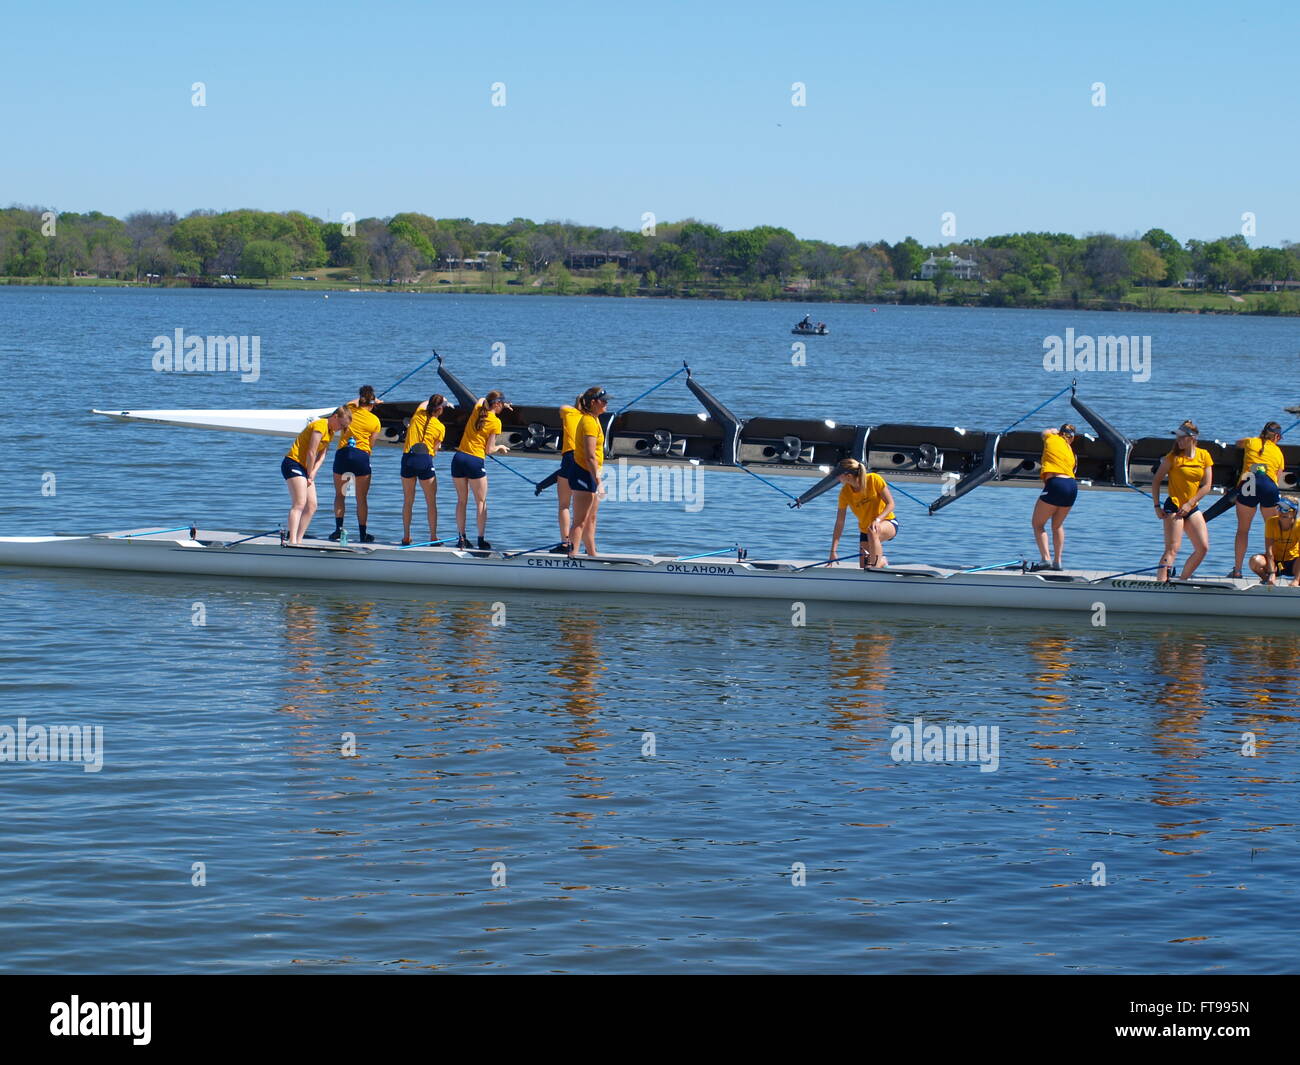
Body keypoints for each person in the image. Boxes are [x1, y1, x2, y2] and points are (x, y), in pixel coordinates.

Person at [1151, 419, 1213, 581]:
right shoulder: (1172, 458)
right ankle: (1161, 583)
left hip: (1192, 507)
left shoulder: (1204, 456)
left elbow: (1207, 486)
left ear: (1192, 438)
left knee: (1203, 548)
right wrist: (1157, 506)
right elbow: (1156, 481)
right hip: (1174, 506)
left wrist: (1190, 503)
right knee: (1172, 549)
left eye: (1181, 437)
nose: (1178, 441)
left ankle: (1182, 580)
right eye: (1177, 437)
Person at [282, 406, 351, 545]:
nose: (340, 429)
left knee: (312, 505)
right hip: (293, 463)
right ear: (335, 417)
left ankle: (299, 540)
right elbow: (311, 452)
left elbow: (322, 455)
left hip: (306, 467)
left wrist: (313, 473)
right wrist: (308, 472)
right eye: (341, 425)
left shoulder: (330, 432)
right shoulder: (320, 425)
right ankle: (292, 541)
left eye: (344, 427)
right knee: (299, 503)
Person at [451, 389, 511, 550]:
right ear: (497, 404)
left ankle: (461, 538)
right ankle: (481, 540)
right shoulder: (496, 422)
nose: (503, 408)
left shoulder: (478, 409)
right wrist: (501, 447)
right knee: (481, 502)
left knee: (461, 501)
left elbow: (482, 399)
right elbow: (489, 450)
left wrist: (500, 402)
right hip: (474, 461)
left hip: (458, 458)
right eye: (502, 404)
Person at [1228, 421, 1285, 578]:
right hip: (1268, 485)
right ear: (1277, 437)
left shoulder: (1251, 441)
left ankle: (1238, 571)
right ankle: (1273, 571)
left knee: (1243, 530)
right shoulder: (1279, 453)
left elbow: (1237, 443)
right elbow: (1277, 478)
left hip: (1250, 482)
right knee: (1271, 530)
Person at [330, 385, 382, 542]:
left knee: (340, 495)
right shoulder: (375, 421)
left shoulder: (349, 410)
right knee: (361, 498)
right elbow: (371, 445)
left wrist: (370, 400)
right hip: (361, 457)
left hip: (343, 455)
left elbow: (351, 403)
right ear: (372, 404)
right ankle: (362, 534)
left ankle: (338, 531)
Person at [533, 399, 583, 553]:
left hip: (571, 456)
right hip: (586, 459)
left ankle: (565, 544)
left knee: (564, 506)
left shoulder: (569, 413)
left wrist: (542, 485)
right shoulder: (592, 420)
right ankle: (587, 546)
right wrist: (542, 484)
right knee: (584, 509)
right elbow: (562, 473)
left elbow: (563, 407)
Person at [829, 457, 897, 568]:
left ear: (848, 476)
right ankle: (882, 561)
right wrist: (833, 550)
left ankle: (877, 565)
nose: (837, 477)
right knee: (865, 567)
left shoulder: (874, 479)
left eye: (839, 475)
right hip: (865, 530)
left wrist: (878, 520)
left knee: (873, 532)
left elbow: (891, 504)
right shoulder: (844, 493)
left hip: (888, 522)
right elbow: (840, 522)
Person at [400, 393, 447, 546]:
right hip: (424, 459)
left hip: (408, 458)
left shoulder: (417, 415)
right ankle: (433, 537)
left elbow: (423, 402)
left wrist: (439, 400)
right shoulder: (440, 427)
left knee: (408, 500)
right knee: (431, 501)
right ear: (439, 409)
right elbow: (435, 449)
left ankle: (406, 536)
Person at [568, 387, 610, 557]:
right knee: (580, 521)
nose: (606, 403)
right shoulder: (588, 422)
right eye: (603, 401)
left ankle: (592, 555)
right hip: (583, 473)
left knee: (591, 519)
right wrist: (599, 482)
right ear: (593, 403)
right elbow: (590, 456)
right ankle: (572, 556)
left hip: (591, 474)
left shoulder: (594, 419)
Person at [1030, 423, 1078, 571]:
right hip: (1072, 486)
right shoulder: (1070, 451)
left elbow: (1045, 431)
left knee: (1037, 524)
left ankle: (1045, 559)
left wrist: (1054, 432)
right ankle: (1058, 562)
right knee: (1057, 525)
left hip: (1056, 484)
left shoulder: (1052, 438)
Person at [1248, 496, 1300, 587]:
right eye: (1279, 508)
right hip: (1275, 563)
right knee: (1255, 561)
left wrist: (1296, 579)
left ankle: (1296, 580)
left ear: (1294, 512)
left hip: (1293, 563)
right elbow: (1269, 550)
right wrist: (1272, 572)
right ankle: (1267, 580)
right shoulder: (1271, 522)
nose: (1281, 512)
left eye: (1285, 509)